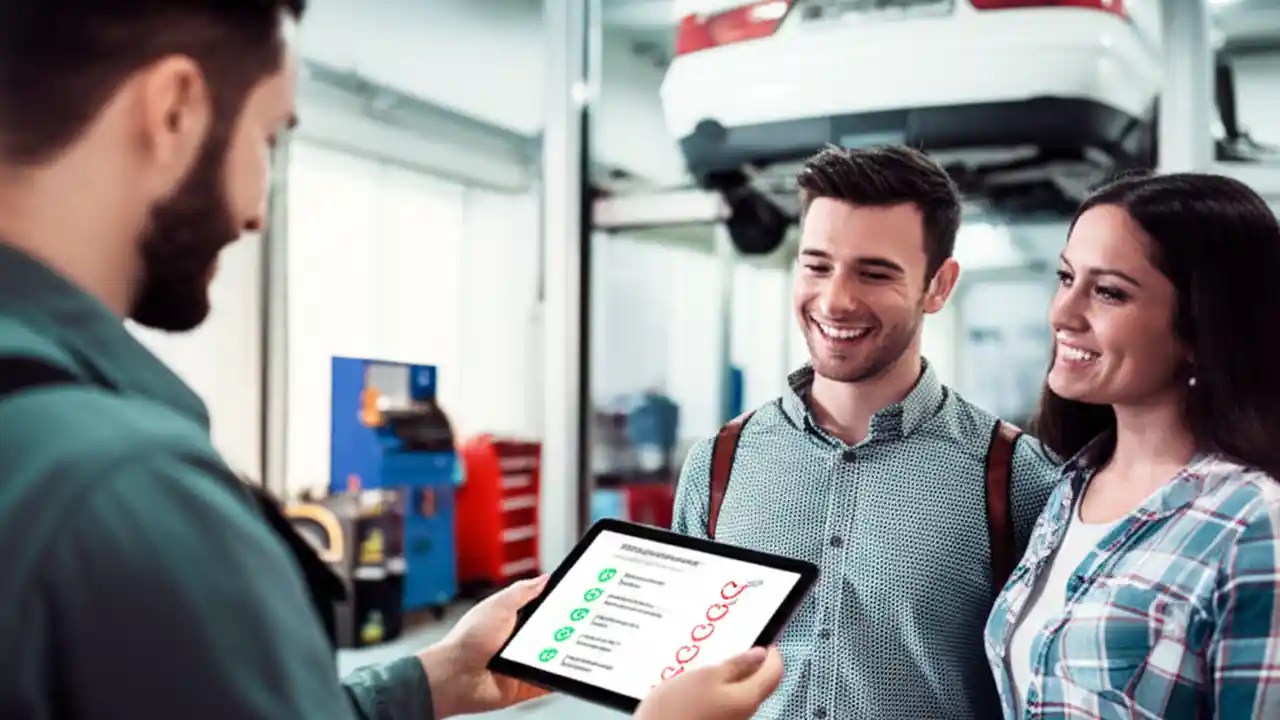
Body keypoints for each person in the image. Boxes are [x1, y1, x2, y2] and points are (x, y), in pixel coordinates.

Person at [0, 1, 783, 718]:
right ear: (174, 110)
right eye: (267, 139)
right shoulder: (126, 495)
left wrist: (429, 680)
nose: (255, 207)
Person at [670, 145, 1061, 719]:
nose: (835, 300)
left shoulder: (1016, 477)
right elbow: (683, 668)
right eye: (817, 265)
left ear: (939, 286)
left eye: (874, 272)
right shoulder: (717, 465)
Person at [983, 172, 1280, 719]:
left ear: (1201, 326)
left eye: (1108, 292)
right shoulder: (1071, 486)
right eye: (1065, 277)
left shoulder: (1254, 526)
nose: (1063, 315)